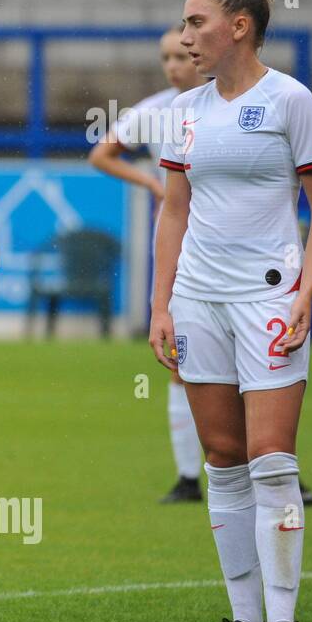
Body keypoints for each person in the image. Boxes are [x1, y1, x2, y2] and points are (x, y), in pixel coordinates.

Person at [150, 0, 312, 622]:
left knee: (272, 459)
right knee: (222, 459)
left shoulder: (290, 100)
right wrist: (161, 305)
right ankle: (245, 619)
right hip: (198, 300)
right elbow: (173, 212)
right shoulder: (186, 112)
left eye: (195, 22)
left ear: (239, 26)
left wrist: (305, 292)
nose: (184, 35)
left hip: (268, 301)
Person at [90, 27, 208, 503]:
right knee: (180, 358)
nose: (173, 65)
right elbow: (102, 154)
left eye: (181, 55)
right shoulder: (159, 110)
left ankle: (278, 472)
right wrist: (154, 186)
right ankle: (186, 477)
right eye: (165, 57)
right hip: (181, 245)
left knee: (254, 364)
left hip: (237, 247)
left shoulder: (237, 104)